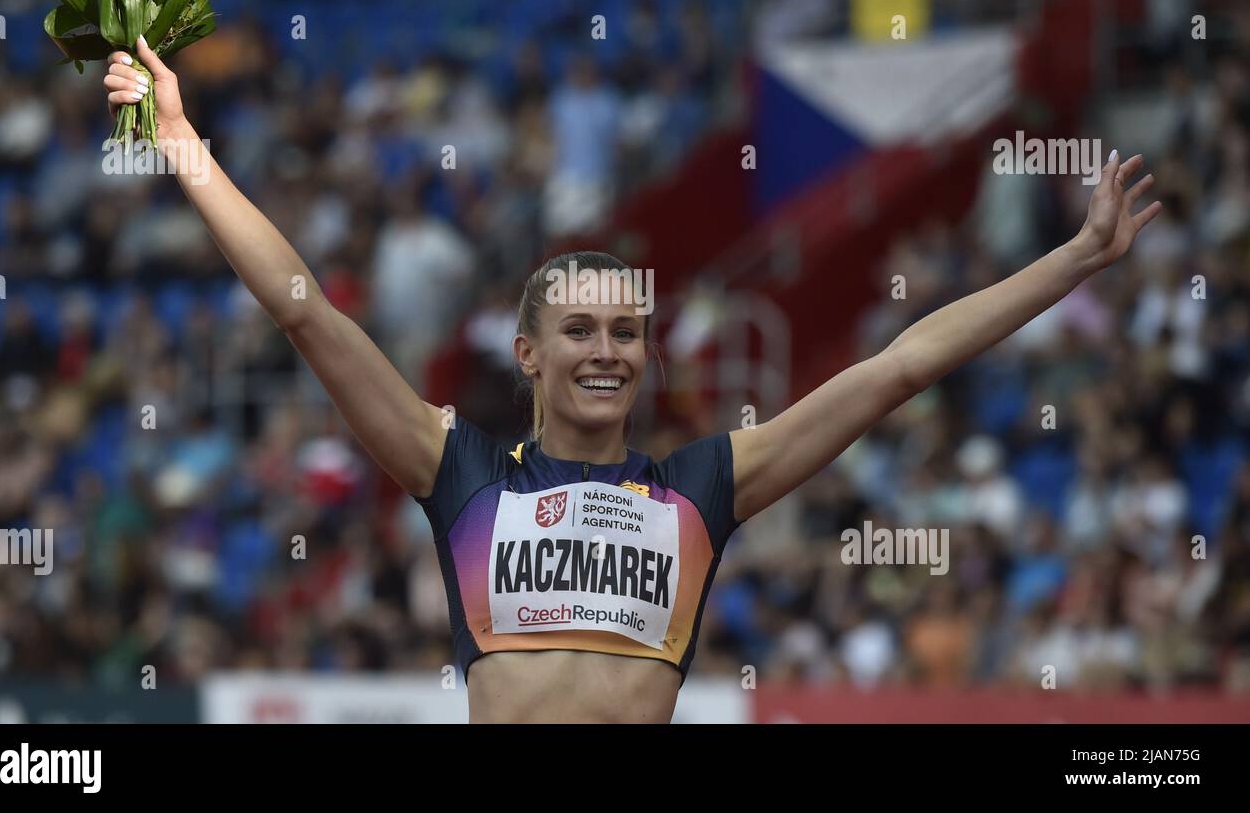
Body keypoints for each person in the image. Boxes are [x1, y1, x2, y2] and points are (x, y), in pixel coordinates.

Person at [103, 37, 1161, 722]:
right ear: (528, 353)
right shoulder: (460, 471)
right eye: (579, 329)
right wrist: (185, 145)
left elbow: (900, 367)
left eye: (626, 330)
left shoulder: (702, 487)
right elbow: (305, 310)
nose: (607, 349)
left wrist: (1071, 261)